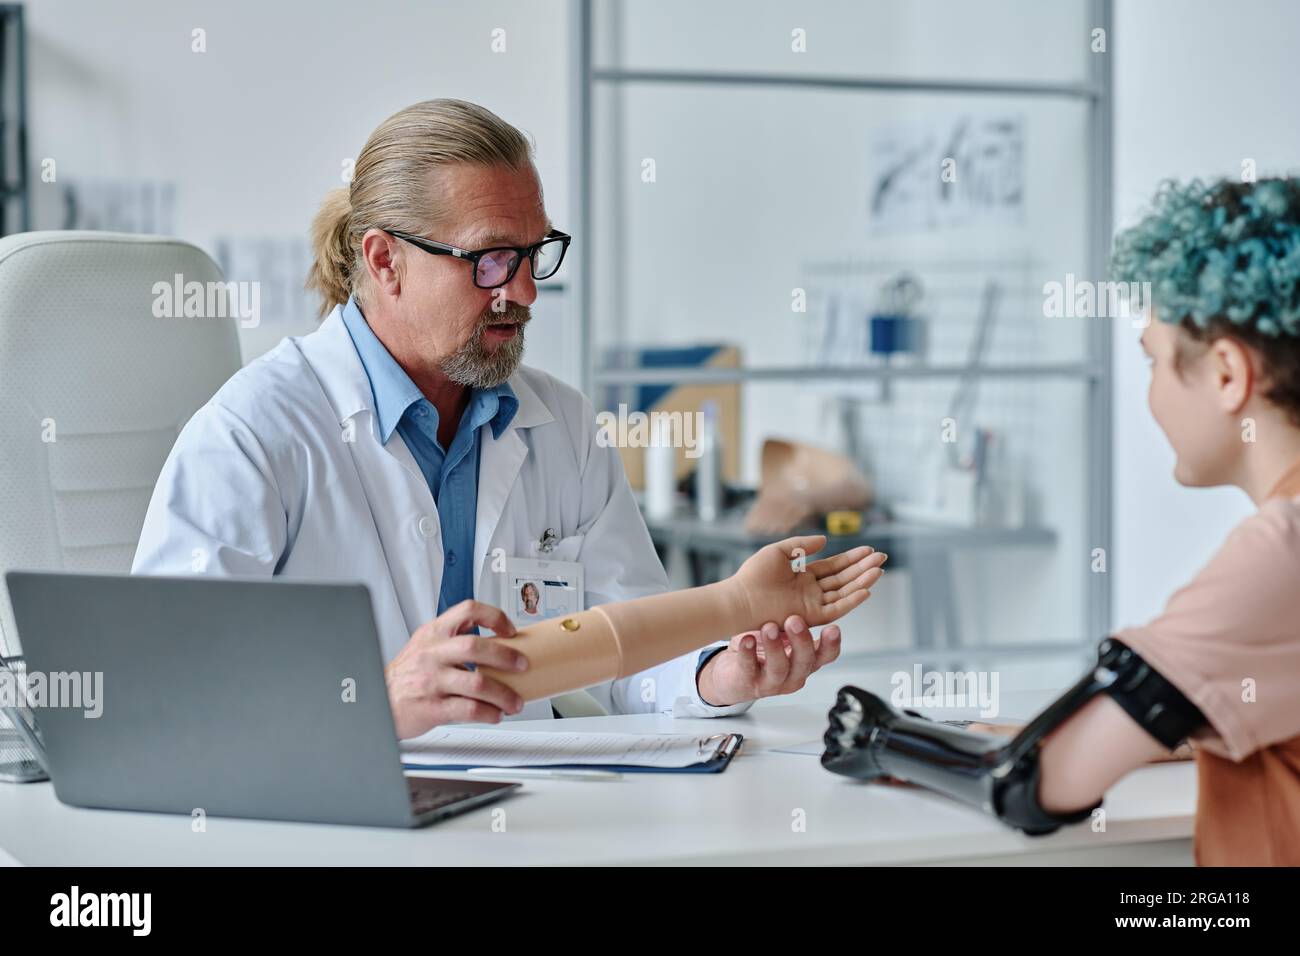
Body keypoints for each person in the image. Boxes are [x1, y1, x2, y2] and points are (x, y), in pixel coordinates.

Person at [133, 98, 867, 739]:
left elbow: (630, 646)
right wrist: (381, 704)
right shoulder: (253, 434)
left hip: (532, 818)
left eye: (533, 253)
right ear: (385, 260)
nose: (523, 291)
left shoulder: (563, 426)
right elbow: (172, 696)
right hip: (341, 823)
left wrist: (718, 675)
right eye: (489, 259)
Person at [824, 178, 1300, 866]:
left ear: (1228, 374)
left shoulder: (1277, 557)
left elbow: (1027, 783)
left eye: (1153, 361)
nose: (1153, 395)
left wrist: (880, 736)